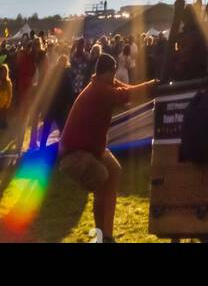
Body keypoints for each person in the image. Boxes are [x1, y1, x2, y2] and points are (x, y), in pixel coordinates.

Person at [58, 53, 157, 242]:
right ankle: (101, 234)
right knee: (102, 178)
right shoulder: (99, 90)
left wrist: (151, 86)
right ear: (110, 71)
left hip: (90, 149)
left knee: (114, 170)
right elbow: (127, 94)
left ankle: (107, 234)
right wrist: (153, 85)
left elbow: (128, 89)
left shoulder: (103, 83)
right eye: (113, 73)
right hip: (74, 154)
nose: (115, 78)